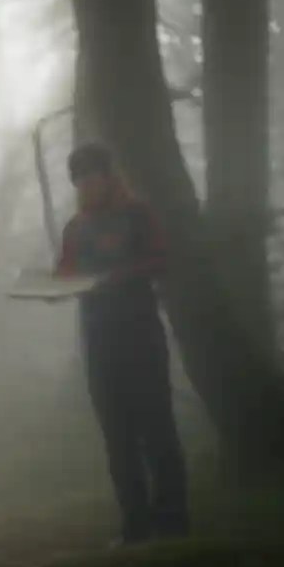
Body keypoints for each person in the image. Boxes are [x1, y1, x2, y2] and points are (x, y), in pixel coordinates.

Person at [55, 143, 189, 545]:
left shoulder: (137, 215)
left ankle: (173, 523)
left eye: (92, 176)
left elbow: (162, 259)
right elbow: (66, 271)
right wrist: (51, 286)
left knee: (156, 426)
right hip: (99, 339)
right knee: (117, 434)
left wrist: (121, 275)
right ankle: (135, 525)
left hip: (140, 333)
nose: (86, 185)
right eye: (79, 179)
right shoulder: (75, 228)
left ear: (109, 176)